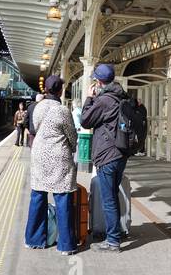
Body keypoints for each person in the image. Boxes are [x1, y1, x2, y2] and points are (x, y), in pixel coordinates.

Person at [79, 64, 132, 252]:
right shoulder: (122, 97)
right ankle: (114, 233)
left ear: (99, 82)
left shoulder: (104, 100)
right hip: (121, 154)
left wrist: (88, 98)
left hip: (108, 155)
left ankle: (113, 241)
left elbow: (85, 120)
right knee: (113, 195)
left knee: (108, 199)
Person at [25, 75, 79, 256]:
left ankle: (33, 240)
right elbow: (72, 136)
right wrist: (71, 148)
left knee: (38, 195)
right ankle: (66, 245)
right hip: (58, 156)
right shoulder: (62, 110)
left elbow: (33, 129)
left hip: (39, 154)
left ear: (46, 90)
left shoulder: (38, 107)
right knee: (62, 198)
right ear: (60, 90)